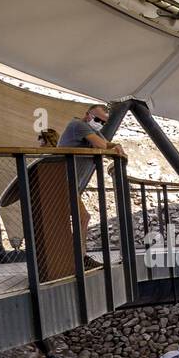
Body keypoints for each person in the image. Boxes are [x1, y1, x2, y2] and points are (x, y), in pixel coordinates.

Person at [58, 104, 125, 267]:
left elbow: (106, 143)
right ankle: (78, 259)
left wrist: (116, 145)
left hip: (69, 183)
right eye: (97, 120)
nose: (99, 124)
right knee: (82, 218)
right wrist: (112, 147)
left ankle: (77, 257)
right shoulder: (78, 125)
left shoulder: (90, 129)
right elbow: (101, 146)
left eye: (103, 122)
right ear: (87, 115)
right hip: (62, 181)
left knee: (80, 218)